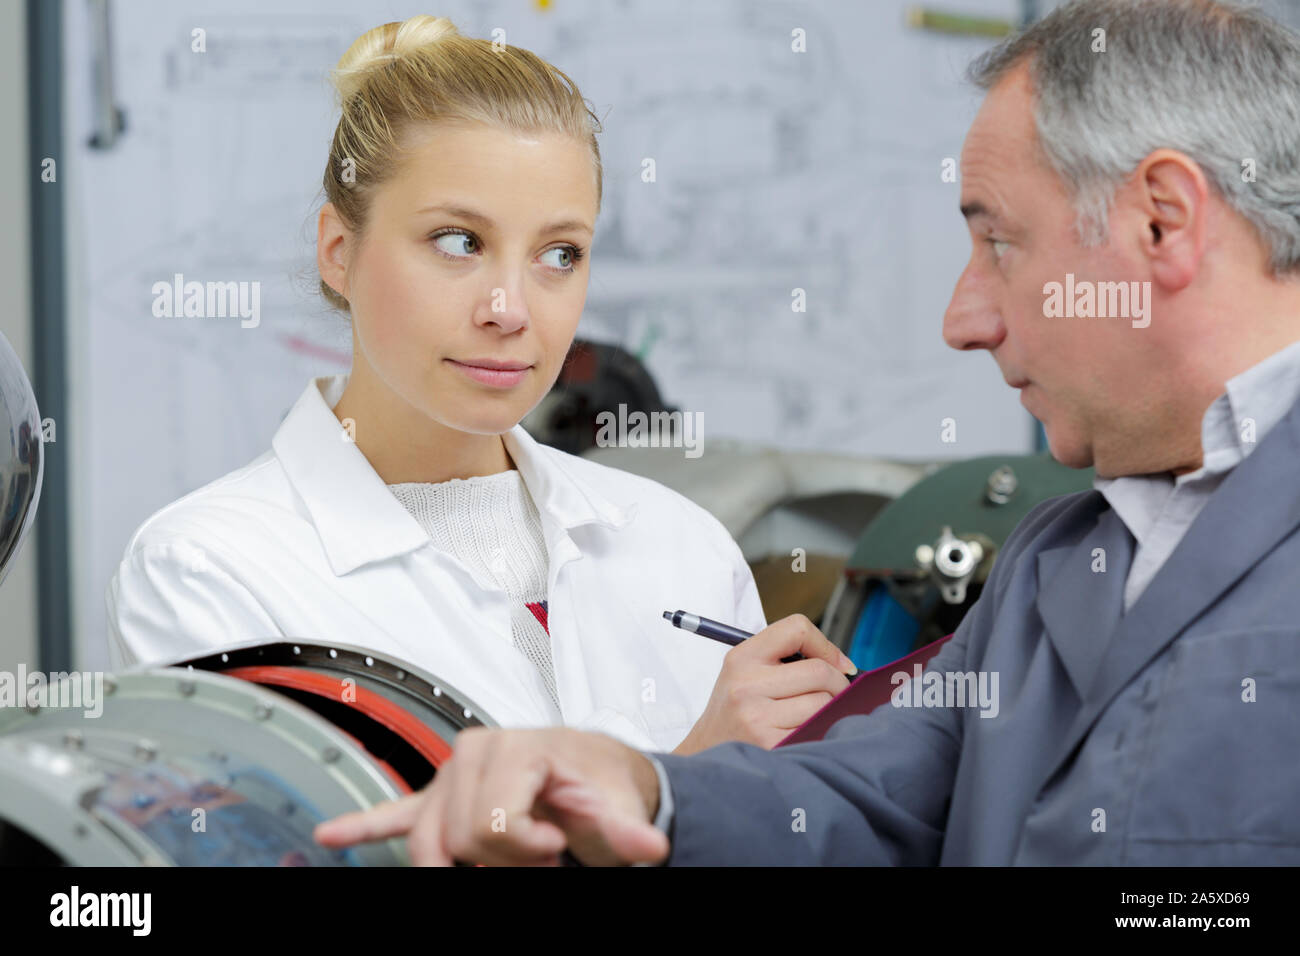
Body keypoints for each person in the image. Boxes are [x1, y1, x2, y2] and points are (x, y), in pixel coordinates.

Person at [313, 0, 1300, 866]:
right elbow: (860, 798)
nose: (964, 320)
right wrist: (644, 787)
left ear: (1162, 225)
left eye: (999, 242)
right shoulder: (1056, 561)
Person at [105, 15, 856, 756]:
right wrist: (689, 778)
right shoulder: (206, 571)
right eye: (459, 242)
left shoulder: (683, 546)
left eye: (560, 254)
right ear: (339, 251)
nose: (511, 310)